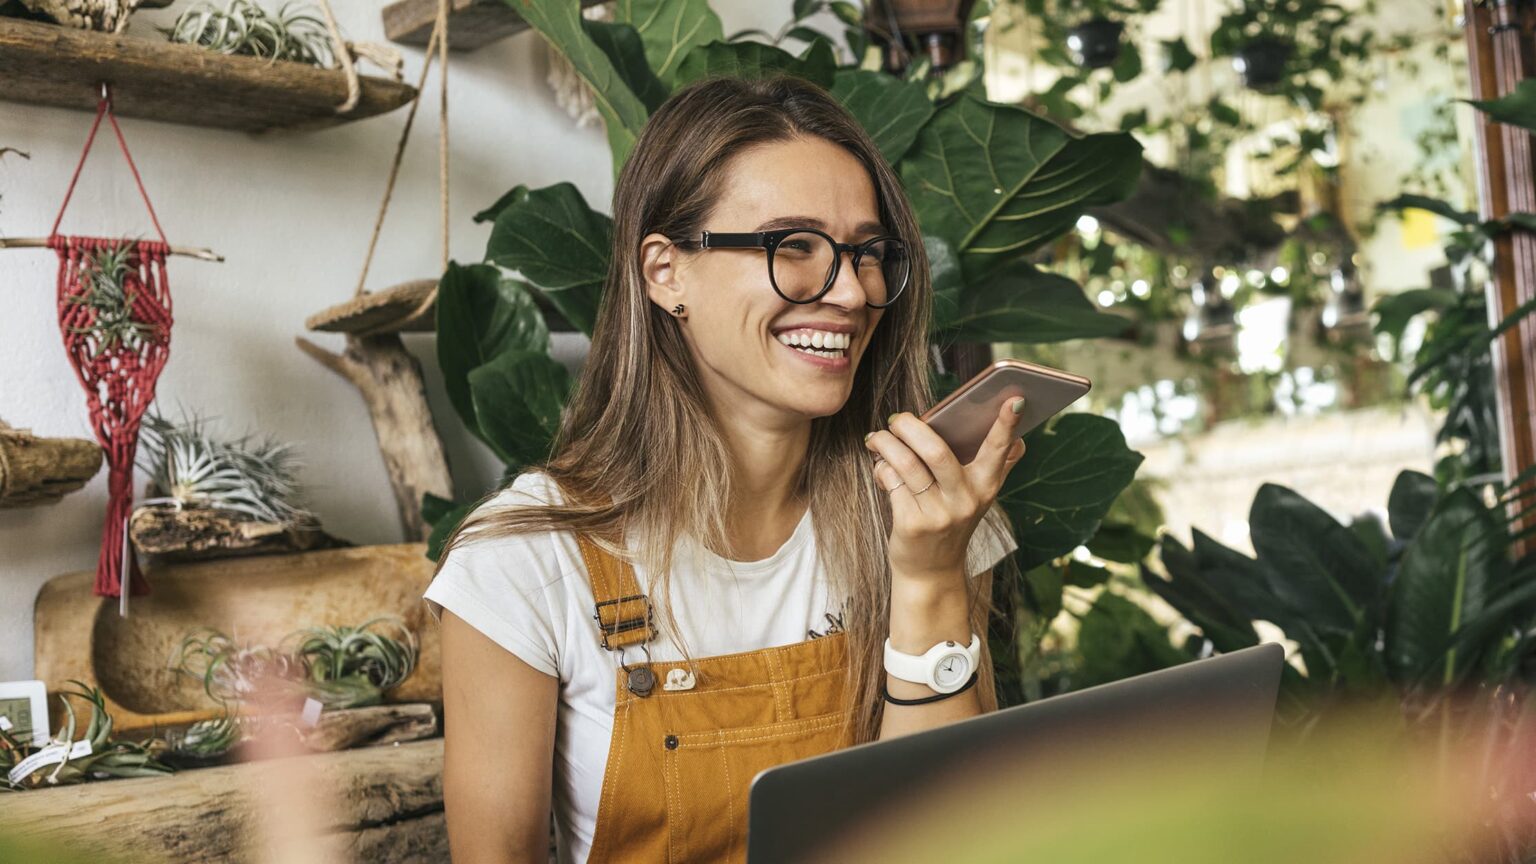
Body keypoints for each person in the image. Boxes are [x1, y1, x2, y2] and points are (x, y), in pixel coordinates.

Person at [423, 74, 1028, 864]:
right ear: (665, 273)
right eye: (793, 246)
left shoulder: (925, 514)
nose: (851, 292)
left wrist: (929, 578)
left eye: (869, 253)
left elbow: (946, 839)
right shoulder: (522, 562)